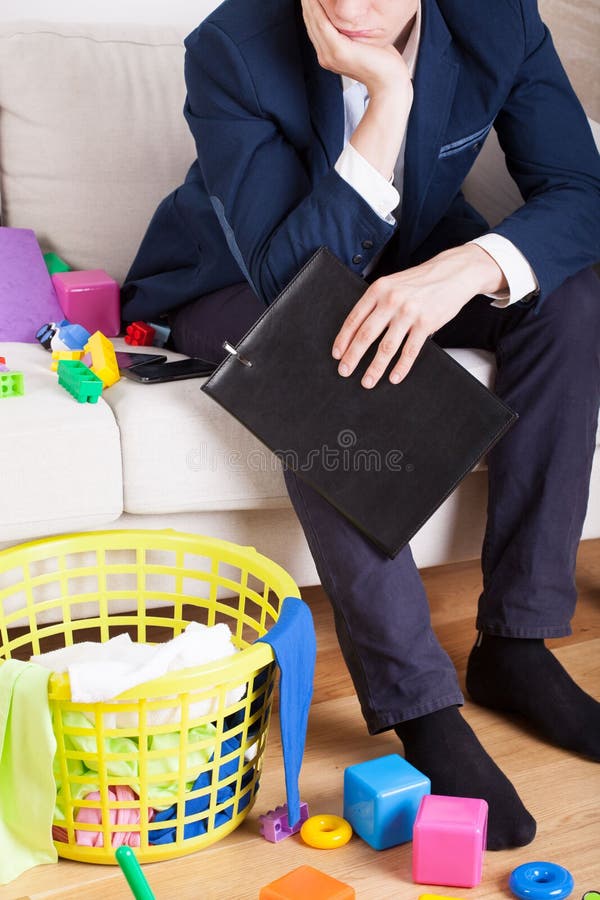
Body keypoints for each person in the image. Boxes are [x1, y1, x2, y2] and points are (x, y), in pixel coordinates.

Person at [122, 0, 600, 850]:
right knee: (322, 339)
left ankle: (518, 643)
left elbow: (582, 194)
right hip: (229, 284)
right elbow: (289, 278)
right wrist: (386, 97)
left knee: (569, 298)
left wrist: (472, 264)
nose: (349, 6)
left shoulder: (499, 21)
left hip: (405, 258)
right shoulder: (233, 46)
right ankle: (419, 700)